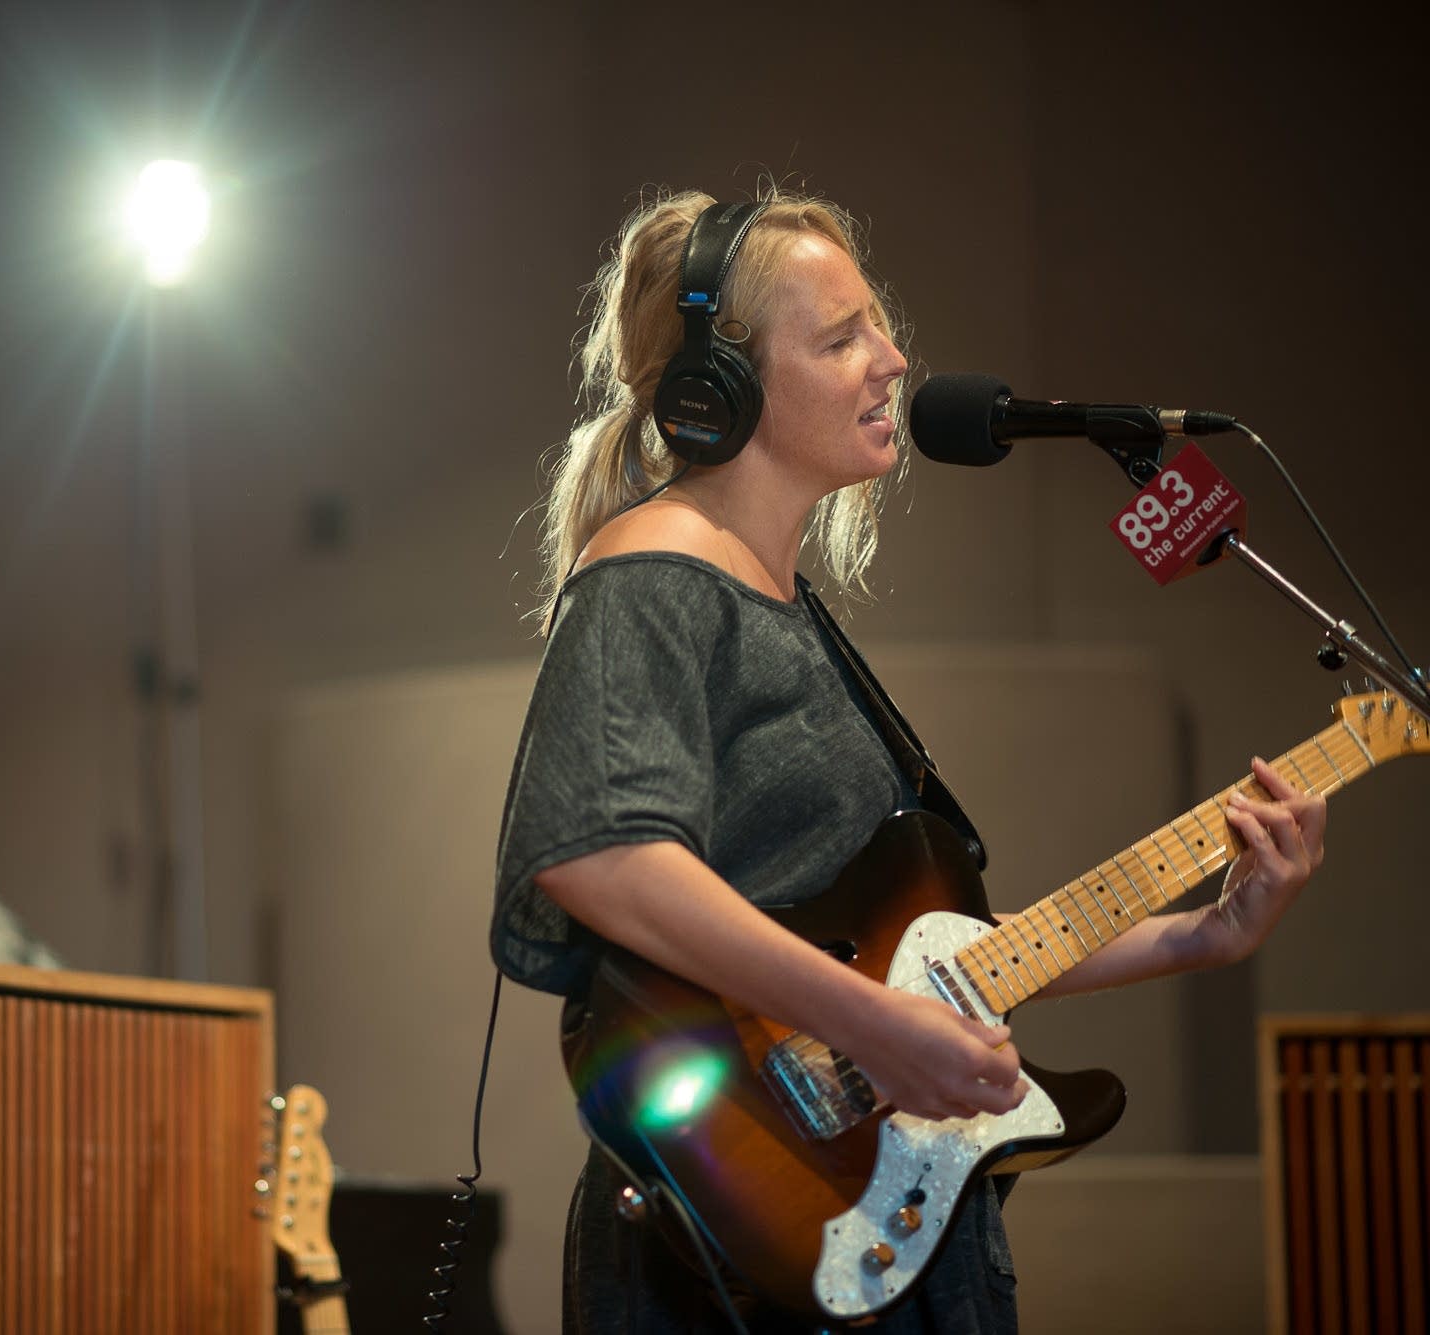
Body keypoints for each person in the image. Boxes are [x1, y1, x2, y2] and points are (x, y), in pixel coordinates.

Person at [487, 186, 1328, 1333]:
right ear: (717, 387)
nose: (892, 360)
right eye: (840, 337)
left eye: (879, 325)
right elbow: (599, 854)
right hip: (731, 1247)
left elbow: (920, 963)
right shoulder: (652, 571)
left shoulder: (778, 600)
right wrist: (878, 1031)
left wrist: (1206, 933)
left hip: (869, 1225)